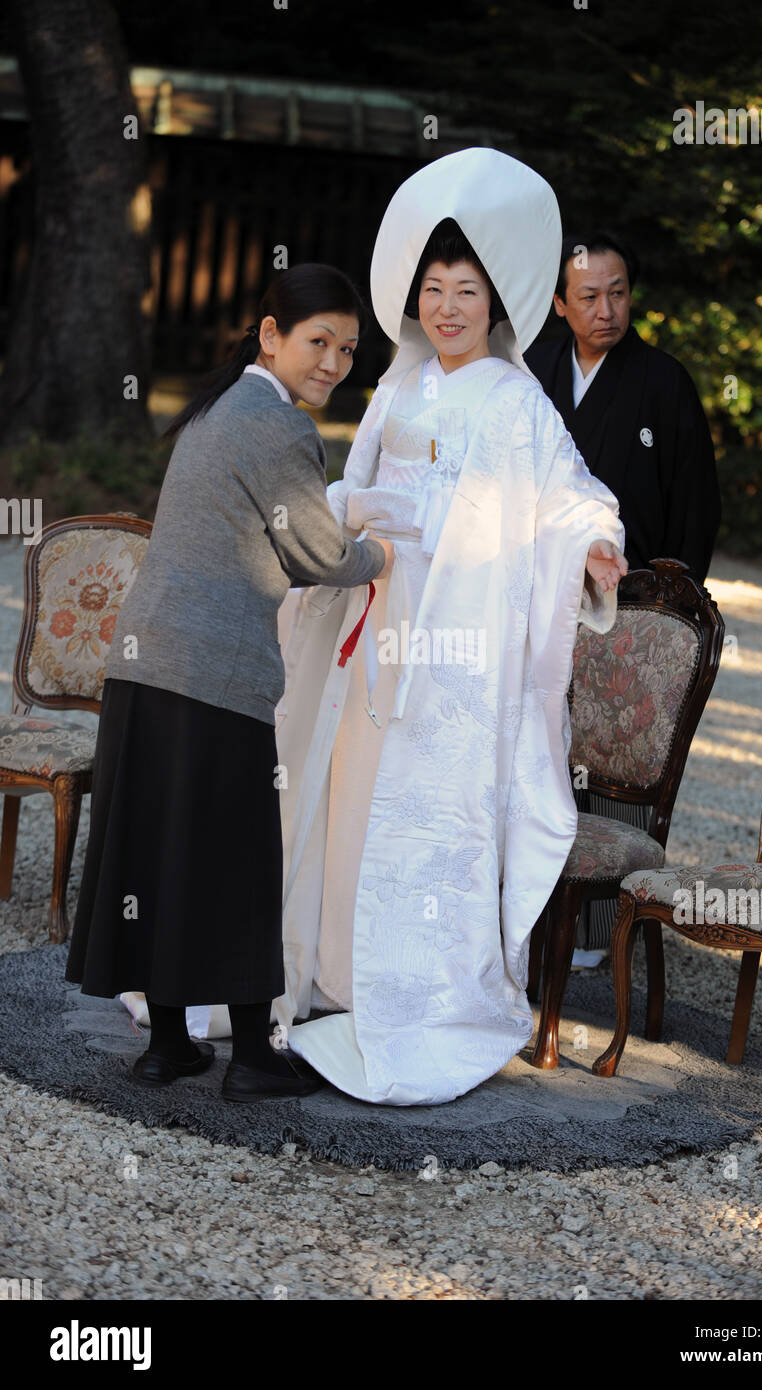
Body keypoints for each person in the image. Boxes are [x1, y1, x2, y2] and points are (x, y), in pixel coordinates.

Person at [272, 148, 627, 1106]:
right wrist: (334, 515)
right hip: (376, 612)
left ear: (494, 301)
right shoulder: (396, 385)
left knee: (428, 809)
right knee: (349, 787)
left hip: (458, 642)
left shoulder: (516, 399)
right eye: (432, 289)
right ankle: (334, 976)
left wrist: (593, 543)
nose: (446, 308)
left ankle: (420, 991)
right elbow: (356, 485)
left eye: (464, 290)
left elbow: (570, 495)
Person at [65, 265, 388, 1102]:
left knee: (159, 852)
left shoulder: (215, 410)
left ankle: (168, 1046)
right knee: (237, 859)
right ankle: (251, 1056)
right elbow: (322, 556)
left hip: (145, 665)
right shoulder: (279, 429)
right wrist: (383, 551)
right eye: (317, 341)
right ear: (270, 334)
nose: (333, 362)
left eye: (348, 349)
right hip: (211, 673)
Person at [524, 231, 720, 585]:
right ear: (559, 302)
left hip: (635, 588)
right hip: (542, 580)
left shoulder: (666, 380)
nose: (606, 312)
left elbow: (696, 505)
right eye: (589, 297)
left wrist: (677, 595)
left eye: (617, 293)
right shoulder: (532, 371)